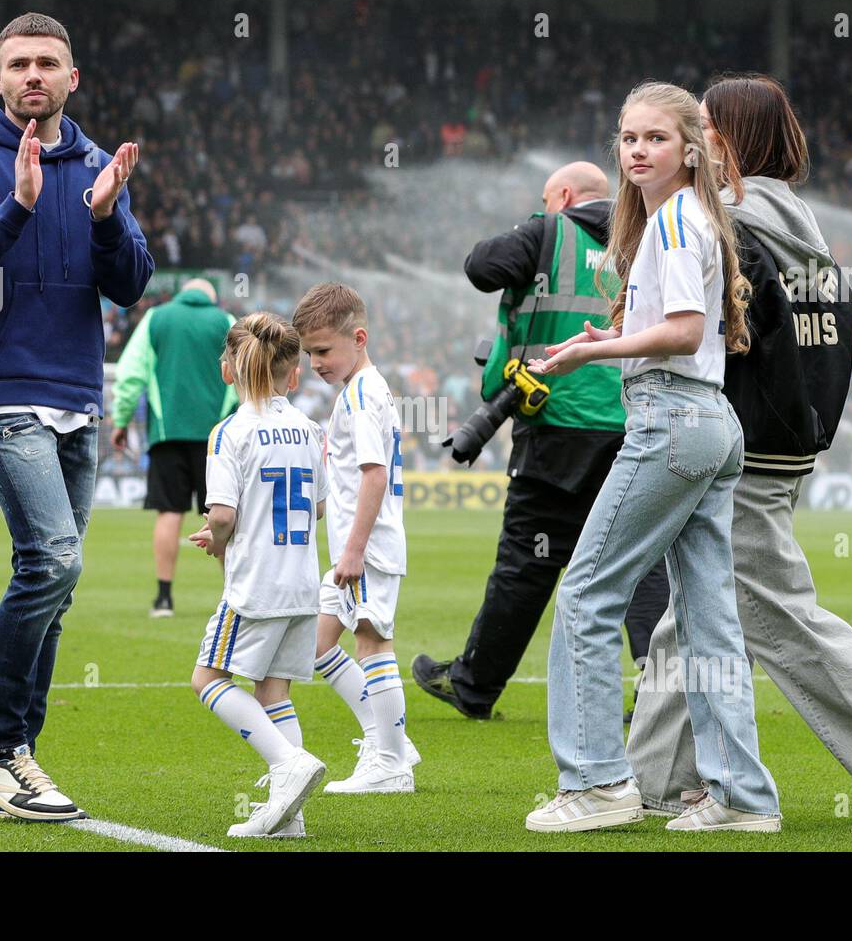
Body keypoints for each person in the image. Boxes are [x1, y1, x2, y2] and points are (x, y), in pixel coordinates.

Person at [627, 75, 852, 828]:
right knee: (690, 613)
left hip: (736, 439)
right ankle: (648, 780)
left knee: (769, 608)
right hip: (784, 438)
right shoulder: (802, 227)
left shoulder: (729, 221)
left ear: (728, 138)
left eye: (704, 124)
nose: (692, 133)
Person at [523, 81, 780, 834]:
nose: (637, 151)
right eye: (629, 139)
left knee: (586, 594)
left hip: (671, 419)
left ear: (690, 147)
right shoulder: (696, 216)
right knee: (709, 621)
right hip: (706, 421)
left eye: (655, 139)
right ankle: (741, 798)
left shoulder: (673, 222)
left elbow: (679, 330)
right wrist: (606, 344)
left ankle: (599, 782)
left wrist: (593, 357)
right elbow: (684, 332)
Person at [0, 12, 154, 821]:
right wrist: (15, 209)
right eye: (18, 63)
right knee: (53, 564)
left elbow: (130, 286)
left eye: (47, 62)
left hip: (78, 400)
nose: (33, 76)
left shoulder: (95, 163)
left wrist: (106, 216)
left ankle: (15, 760)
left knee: (52, 586)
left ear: (72, 77)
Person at [411, 162, 669, 722]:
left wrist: (537, 223)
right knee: (643, 558)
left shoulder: (549, 230)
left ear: (565, 197)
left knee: (528, 560)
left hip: (557, 423)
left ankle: (474, 685)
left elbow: (481, 266)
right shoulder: (649, 234)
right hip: (635, 424)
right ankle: (656, 689)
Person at [188, 312, 329, 838]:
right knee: (275, 692)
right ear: (292, 374)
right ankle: (289, 817)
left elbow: (222, 515)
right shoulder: (309, 428)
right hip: (301, 585)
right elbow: (313, 510)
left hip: (255, 586)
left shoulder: (230, 431)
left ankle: (286, 764)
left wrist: (218, 537)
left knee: (208, 680)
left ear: (231, 369)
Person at [292, 282, 420, 793]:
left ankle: (390, 764)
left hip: (366, 550)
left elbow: (374, 475)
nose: (316, 362)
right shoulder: (358, 389)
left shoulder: (364, 393)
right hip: (358, 549)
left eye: (323, 350)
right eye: (309, 353)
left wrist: (353, 550)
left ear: (359, 338)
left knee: (372, 643)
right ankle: (388, 739)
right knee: (317, 646)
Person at [111, 277, 237, 617]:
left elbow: (130, 373)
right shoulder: (225, 321)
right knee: (222, 515)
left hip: (167, 435)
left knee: (169, 513)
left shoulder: (156, 318)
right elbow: (244, 377)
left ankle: (164, 598)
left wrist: (121, 421)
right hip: (218, 440)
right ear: (210, 296)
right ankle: (234, 599)